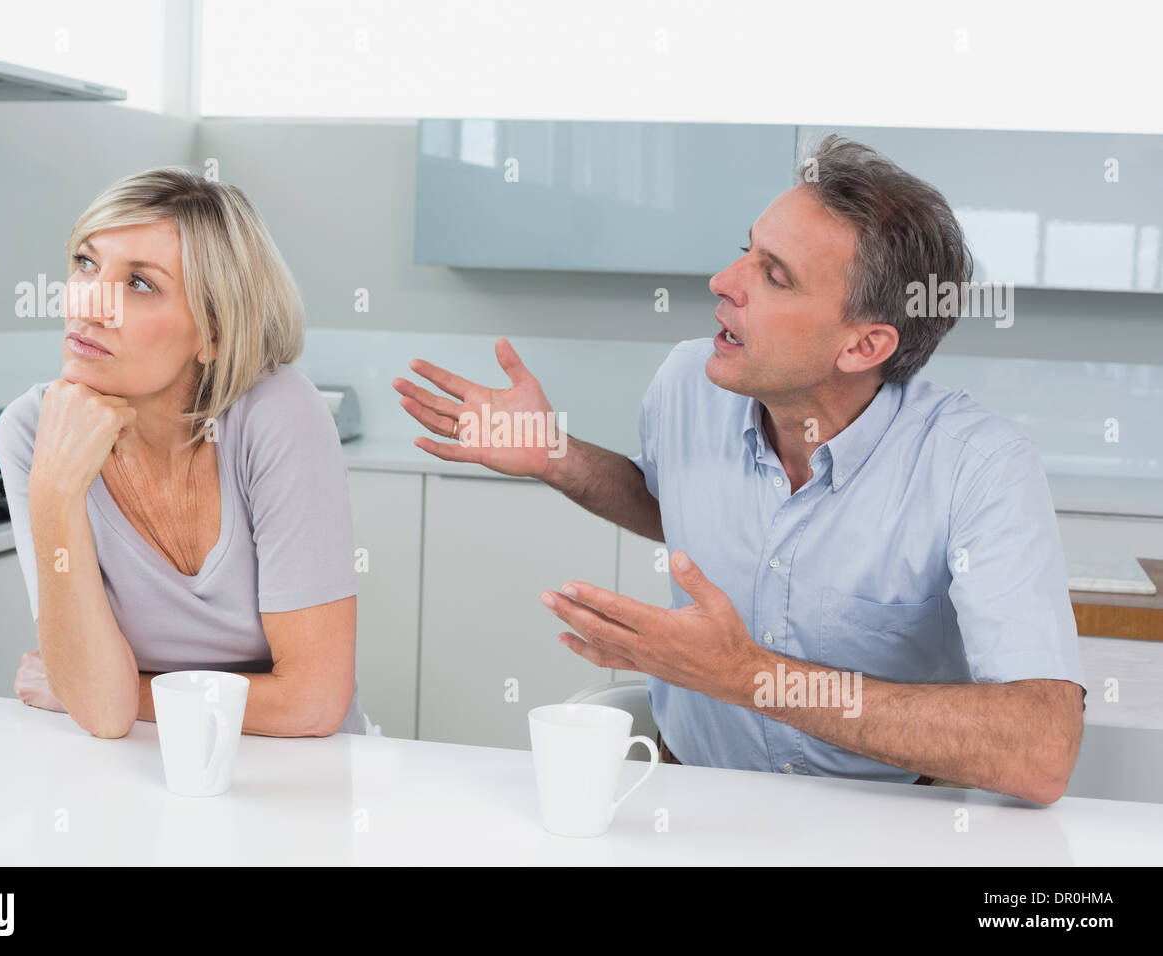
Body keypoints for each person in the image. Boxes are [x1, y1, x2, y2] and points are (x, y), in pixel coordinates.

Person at [393, 134, 1086, 804]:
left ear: (864, 344)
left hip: (882, 821)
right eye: (744, 253)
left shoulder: (980, 470)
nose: (723, 282)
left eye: (774, 275)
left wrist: (749, 677)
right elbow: (676, 504)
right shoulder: (688, 383)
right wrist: (556, 455)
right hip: (690, 798)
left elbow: (1042, 748)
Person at [0, 167, 366, 739]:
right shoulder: (31, 430)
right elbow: (102, 715)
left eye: (139, 283)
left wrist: (122, 688)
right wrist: (53, 490)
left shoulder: (275, 413)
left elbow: (312, 704)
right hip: (139, 767)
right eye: (87, 264)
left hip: (296, 773)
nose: (91, 304)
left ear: (212, 333)